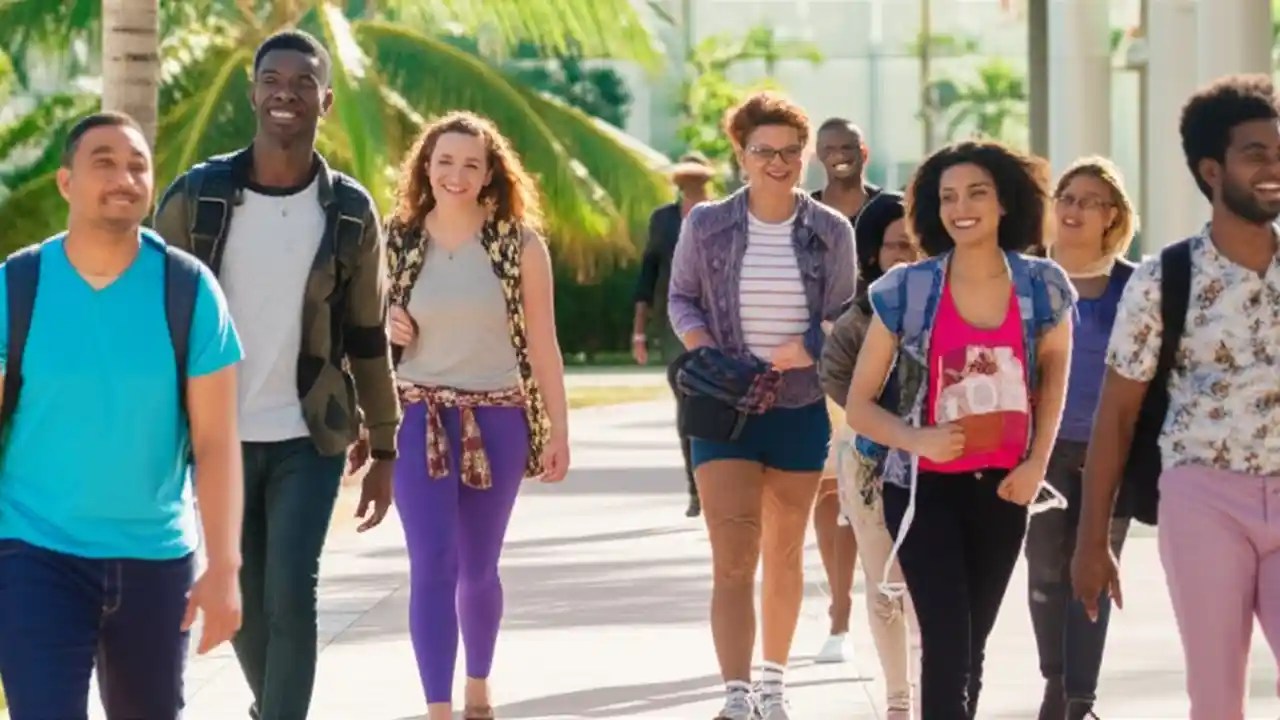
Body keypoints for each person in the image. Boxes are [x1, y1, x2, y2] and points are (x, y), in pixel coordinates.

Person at [152, 30, 400, 720]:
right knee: (243, 597)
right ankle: (275, 708)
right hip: (215, 438)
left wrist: (384, 443)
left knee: (292, 591)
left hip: (308, 435)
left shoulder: (348, 211)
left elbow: (366, 334)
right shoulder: (197, 197)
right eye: (271, 79)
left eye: (302, 81)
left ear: (324, 98)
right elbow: (151, 319)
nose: (285, 92)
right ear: (253, 91)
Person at [0, 112, 244, 719]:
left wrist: (225, 567)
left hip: (155, 559)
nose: (124, 176)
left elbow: (215, 442)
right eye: (103, 162)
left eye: (137, 164)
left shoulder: (188, 290)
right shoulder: (17, 286)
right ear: (66, 183)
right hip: (34, 552)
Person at [1073, 74, 1280, 720]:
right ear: (1211, 170)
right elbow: (1117, 416)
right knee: (1217, 696)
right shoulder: (1166, 278)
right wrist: (1090, 541)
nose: (1274, 167)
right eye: (1257, 154)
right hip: (1203, 500)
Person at [844, 140, 1075, 719]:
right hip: (923, 491)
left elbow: (1053, 386)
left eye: (976, 193)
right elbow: (859, 405)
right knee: (946, 647)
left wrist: (1035, 467)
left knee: (971, 648)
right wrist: (917, 439)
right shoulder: (907, 289)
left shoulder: (1044, 287)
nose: (960, 207)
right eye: (947, 196)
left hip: (1005, 488)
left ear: (1004, 203)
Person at [668, 91, 856, 720]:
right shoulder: (707, 224)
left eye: (789, 152)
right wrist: (705, 350)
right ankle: (736, 694)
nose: (777, 162)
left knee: (783, 550)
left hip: (800, 408)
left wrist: (805, 348)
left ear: (804, 158)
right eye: (763, 151)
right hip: (724, 408)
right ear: (741, 155)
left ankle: (774, 685)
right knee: (733, 551)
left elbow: (844, 316)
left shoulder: (832, 231)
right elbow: (682, 299)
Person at [383, 111, 570, 720]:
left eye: (470, 164)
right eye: (444, 162)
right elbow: (364, 328)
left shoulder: (519, 245)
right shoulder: (399, 241)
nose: (456, 175)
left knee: (478, 566)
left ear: (490, 174)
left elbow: (543, 345)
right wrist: (389, 324)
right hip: (419, 420)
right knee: (431, 562)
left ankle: (478, 686)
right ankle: (438, 706)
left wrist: (558, 433)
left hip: (500, 420)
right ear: (426, 168)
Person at [1025, 157, 1137, 720]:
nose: (1072, 210)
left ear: (1112, 216)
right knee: (1045, 568)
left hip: (1110, 451)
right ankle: (1055, 681)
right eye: (1066, 197)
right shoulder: (1023, 276)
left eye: (1088, 201)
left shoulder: (1135, 287)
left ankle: (1080, 700)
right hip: (1036, 449)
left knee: (1091, 566)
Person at [819, 190, 924, 718]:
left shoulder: (952, 306)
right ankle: (898, 702)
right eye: (893, 246)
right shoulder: (857, 318)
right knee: (884, 587)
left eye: (914, 245)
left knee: (928, 591)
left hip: (937, 465)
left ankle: (936, 696)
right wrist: (881, 421)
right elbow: (833, 376)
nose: (904, 256)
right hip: (867, 465)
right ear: (873, 254)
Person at [809, 117, 882, 664]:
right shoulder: (801, 212)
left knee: (869, 491)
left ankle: (878, 602)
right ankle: (839, 615)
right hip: (819, 366)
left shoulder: (887, 210)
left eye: (847, 147)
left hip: (882, 365)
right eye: (828, 148)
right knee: (830, 491)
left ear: (865, 151)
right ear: (816, 155)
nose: (838, 156)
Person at [632, 152, 714, 518]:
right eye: (685, 183)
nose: (691, 188)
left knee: (716, 402)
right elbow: (647, 276)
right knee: (686, 406)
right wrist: (638, 333)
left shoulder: (723, 215)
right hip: (674, 325)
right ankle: (695, 488)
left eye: (697, 182)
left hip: (718, 325)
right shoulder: (663, 221)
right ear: (677, 185)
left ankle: (716, 483)